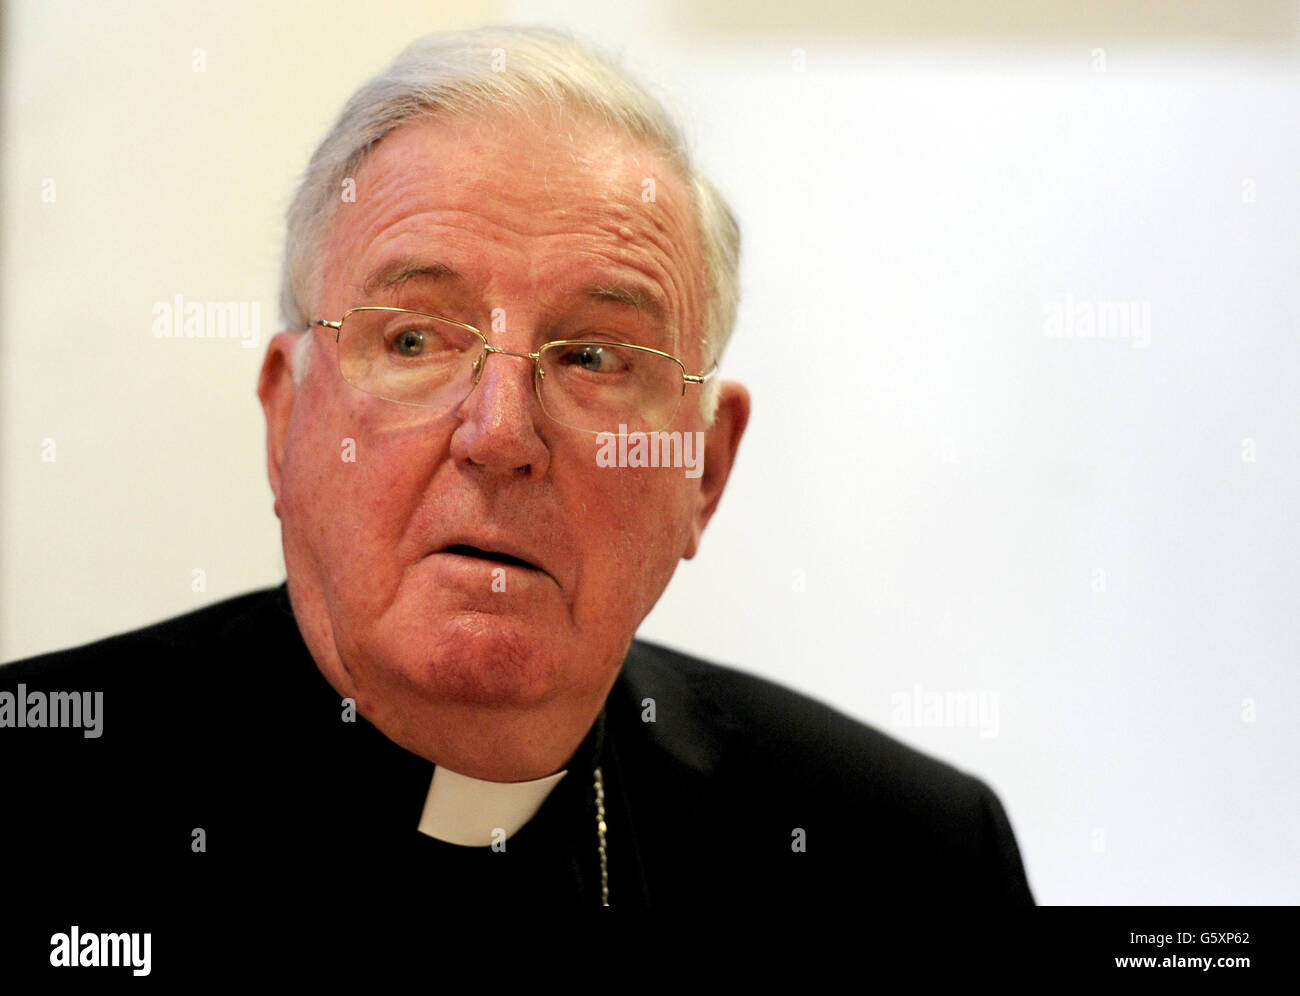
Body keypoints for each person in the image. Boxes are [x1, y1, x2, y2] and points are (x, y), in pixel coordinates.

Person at [0, 26, 1032, 944]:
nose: (501, 434)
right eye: (412, 338)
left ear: (703, 473)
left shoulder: (907, 863)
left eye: (595, 358)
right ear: (285, 420)